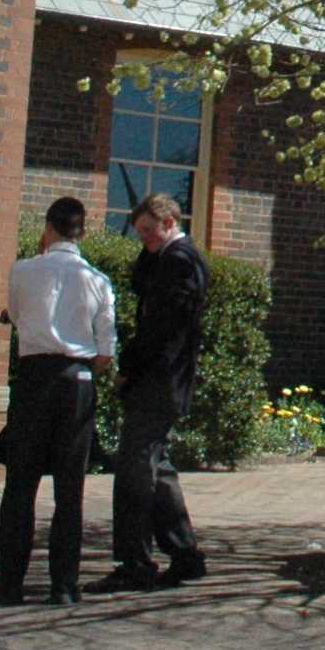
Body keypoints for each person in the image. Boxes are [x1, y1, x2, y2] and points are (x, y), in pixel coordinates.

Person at [0, 195, 115, 606]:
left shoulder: (24, 270)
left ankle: (10, 584)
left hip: (33, 378)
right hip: (76, 380)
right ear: (82, 231)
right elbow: (105, 351)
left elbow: (15, 315)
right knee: (70, 489)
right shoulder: (98, 280)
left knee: (19, 485)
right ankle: (64, 585)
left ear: (48, 228)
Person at [101, 191, 211, 592]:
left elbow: (160, 329)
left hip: (158, 380)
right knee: (157, 467)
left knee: (134, 469)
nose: (143, 238)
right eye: (140, 232)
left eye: (149, 231)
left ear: (168, 223)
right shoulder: (171, 260)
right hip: (164, 380)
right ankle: (184, 555)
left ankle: (135, 561)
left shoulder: (178, 262)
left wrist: (128, 368)